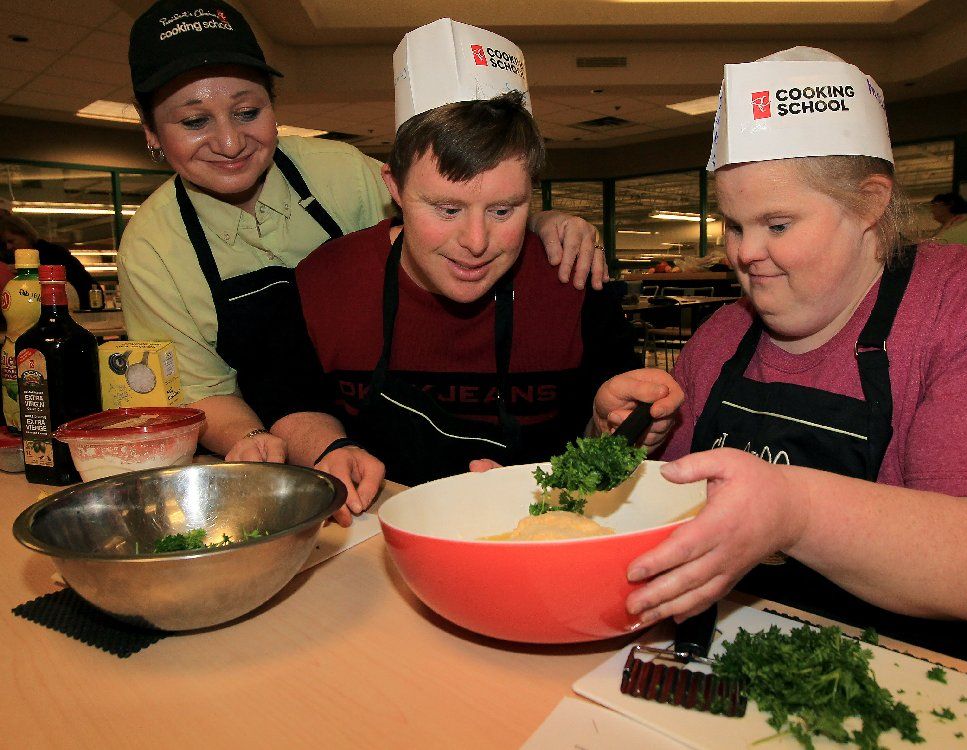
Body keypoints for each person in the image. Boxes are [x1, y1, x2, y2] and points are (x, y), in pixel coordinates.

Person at [595, 47, 967, 667]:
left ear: (869, 203)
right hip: (732, 657)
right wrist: (619, 445)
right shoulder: (723, 338)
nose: (745, 253)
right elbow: (640, 522)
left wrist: (792, 510)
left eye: (777, 225)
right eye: (733, 224)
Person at [118, 2, 607, 472]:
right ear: (151, 133)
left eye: (247, 111)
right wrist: (256, 441)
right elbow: (200, 390)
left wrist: (541, 221)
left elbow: (448, 195)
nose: (230, 143)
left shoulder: (340, 170)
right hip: (265, 439)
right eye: (194, 120)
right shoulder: (153, 248)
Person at [268, 19, 645, 494]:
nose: (476, 241)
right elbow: (289, 400)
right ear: (395, 187)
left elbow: (611, 435)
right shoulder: (324, 282)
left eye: (503, 209)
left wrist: (615, 428)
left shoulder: (574, 282)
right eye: (448, 209)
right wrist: (328, 450)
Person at [0, 211, 96, 309]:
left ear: (26, 235)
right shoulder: (8, 260)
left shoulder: (55, 254)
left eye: (11, 241)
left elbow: (84, 284)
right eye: (5, 243)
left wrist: (38, 273)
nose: (8, 247)